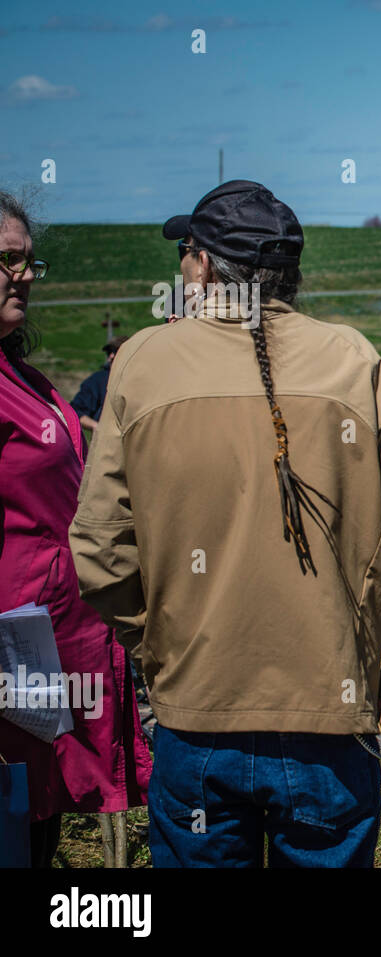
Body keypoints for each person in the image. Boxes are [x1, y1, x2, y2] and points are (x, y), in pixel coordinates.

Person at [70, 181, 381, 867]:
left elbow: (98, 544)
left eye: (186, 254)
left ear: (206, 265)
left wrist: (161, 641)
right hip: (331, 713)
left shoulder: (142, 364)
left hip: (196, 710)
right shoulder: (354, 359)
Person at [0, 190, 152, 867]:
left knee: (31, 829)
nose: (25, 276)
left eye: (30, 261)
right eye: (7, 260)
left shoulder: (21, 378)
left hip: (40, 664)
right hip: (10, 659)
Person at [70, 334, 127, 434]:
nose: (111, 356)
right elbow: (75, 412)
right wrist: (98, 427)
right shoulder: (98, 380)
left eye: (116, 351)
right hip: (106, 444)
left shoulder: (140, 380)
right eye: (109, 352)